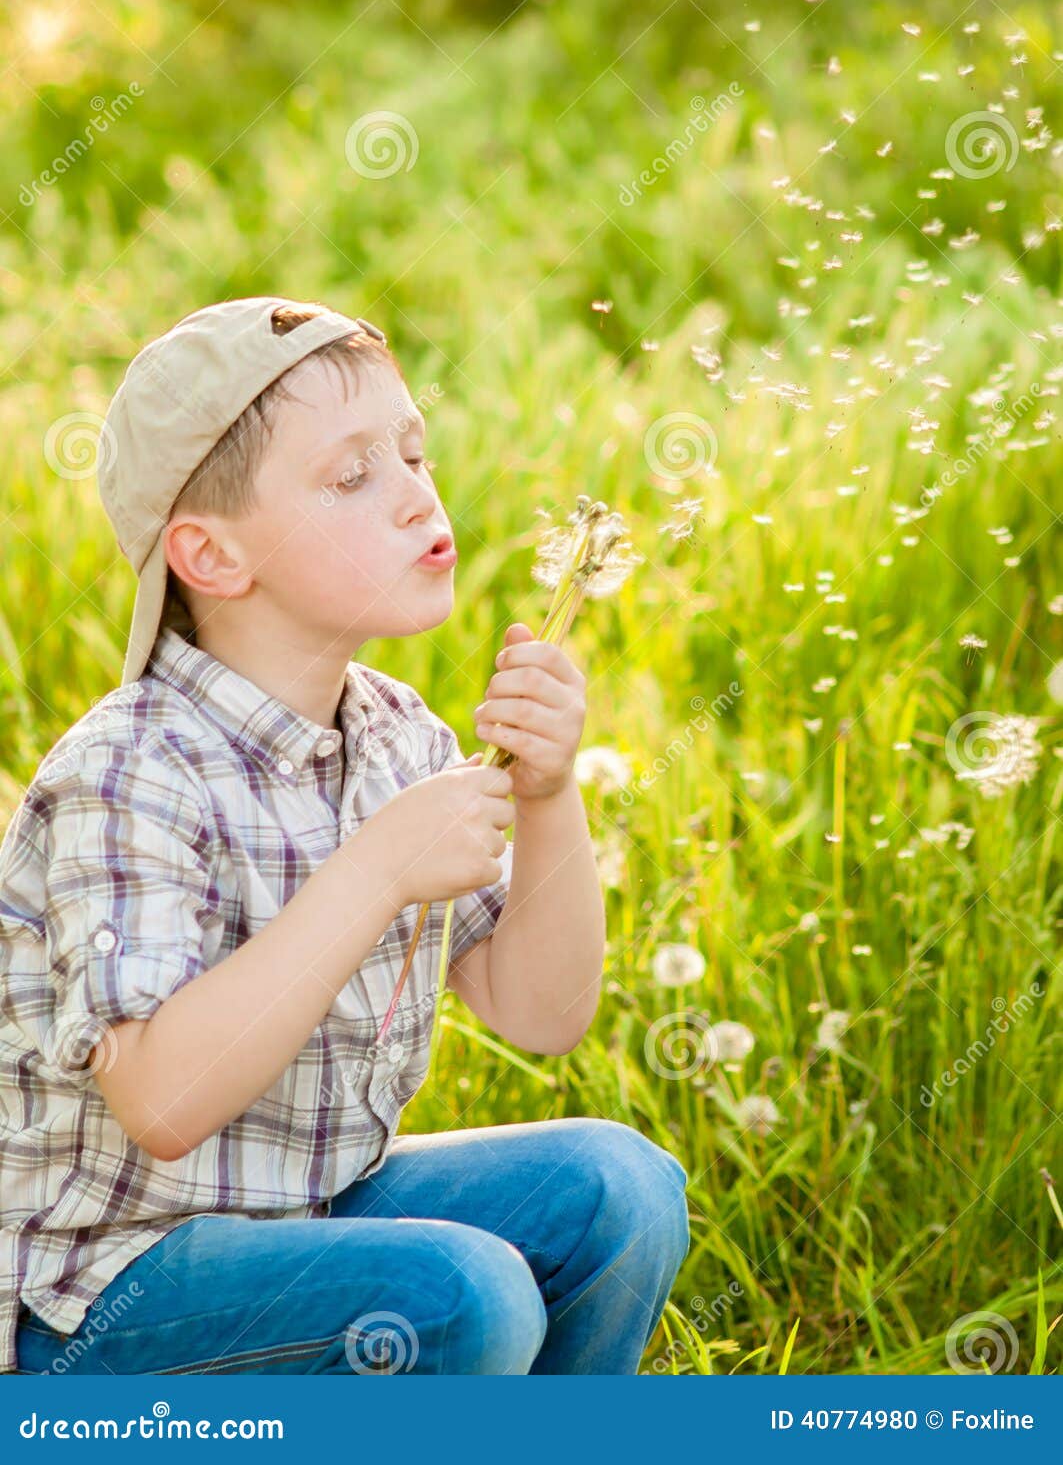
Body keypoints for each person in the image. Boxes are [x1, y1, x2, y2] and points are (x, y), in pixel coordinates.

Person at [0, 296, 689, 1375]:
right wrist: (370, 872)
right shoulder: (130, 769)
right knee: (457, 1294)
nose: (417, 494)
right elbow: (163, 1101)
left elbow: (541, 1009)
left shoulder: (395, 736)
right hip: (97, 1307)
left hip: (304, 1217)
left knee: (622, 1190)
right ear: (212, 556)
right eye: (352, 475)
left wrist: (550, 792)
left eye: (412, 454)